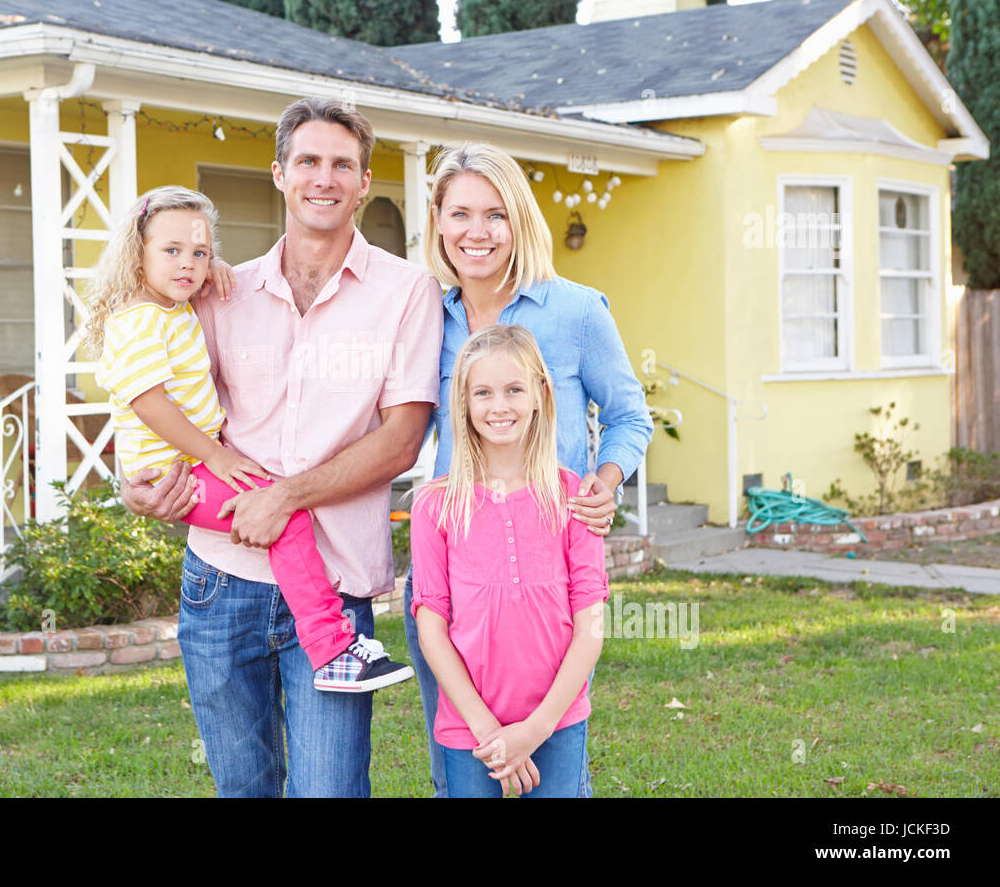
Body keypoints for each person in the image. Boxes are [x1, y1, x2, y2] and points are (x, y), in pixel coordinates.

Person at [119, 98, 443, 797]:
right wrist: (137, 486)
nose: (323, 178)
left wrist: (286, 498)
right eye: (308, 161)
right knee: (244, 789)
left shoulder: (407, 291)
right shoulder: (216, 290)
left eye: (342, 165)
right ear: (279, 173)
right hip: (220, 580)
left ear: (363, 183)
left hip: (334, 586)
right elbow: (161, 403)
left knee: (330, 790)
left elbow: (401, 440)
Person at [85, 184, 413, 693]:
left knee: (282, 511)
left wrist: (210, 273)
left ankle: (331, 644)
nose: (186, 264)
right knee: (286, 517)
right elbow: (149, 403)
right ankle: (332, 650)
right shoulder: (138, 322)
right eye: (171, 251)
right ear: (137, 253)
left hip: (193, 461)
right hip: (178, 470)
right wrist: (214, 456)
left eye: (199, 252)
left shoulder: (173, 307)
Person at [403, 142, 654, 796]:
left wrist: (605, 480)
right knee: (461, 771)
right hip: (456, 584)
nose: (476, 232)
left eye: (495, 214)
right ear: (437, 221)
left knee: (557, 761)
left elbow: (630, 415)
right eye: (459, 214)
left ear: (520, 221)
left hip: (549, 578)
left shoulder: (574, 311)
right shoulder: (424, 317)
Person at [411, 324, 609, 797]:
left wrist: (534, 730)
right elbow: (431, 629)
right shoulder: (434, 506)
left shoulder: (574, 498)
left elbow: (591, 627)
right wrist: (488, 732)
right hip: (470, 732)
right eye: (483, 392)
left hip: (555, 723)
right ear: (463, 402)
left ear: (540, 394)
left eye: (514, 390)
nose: (499, 406)